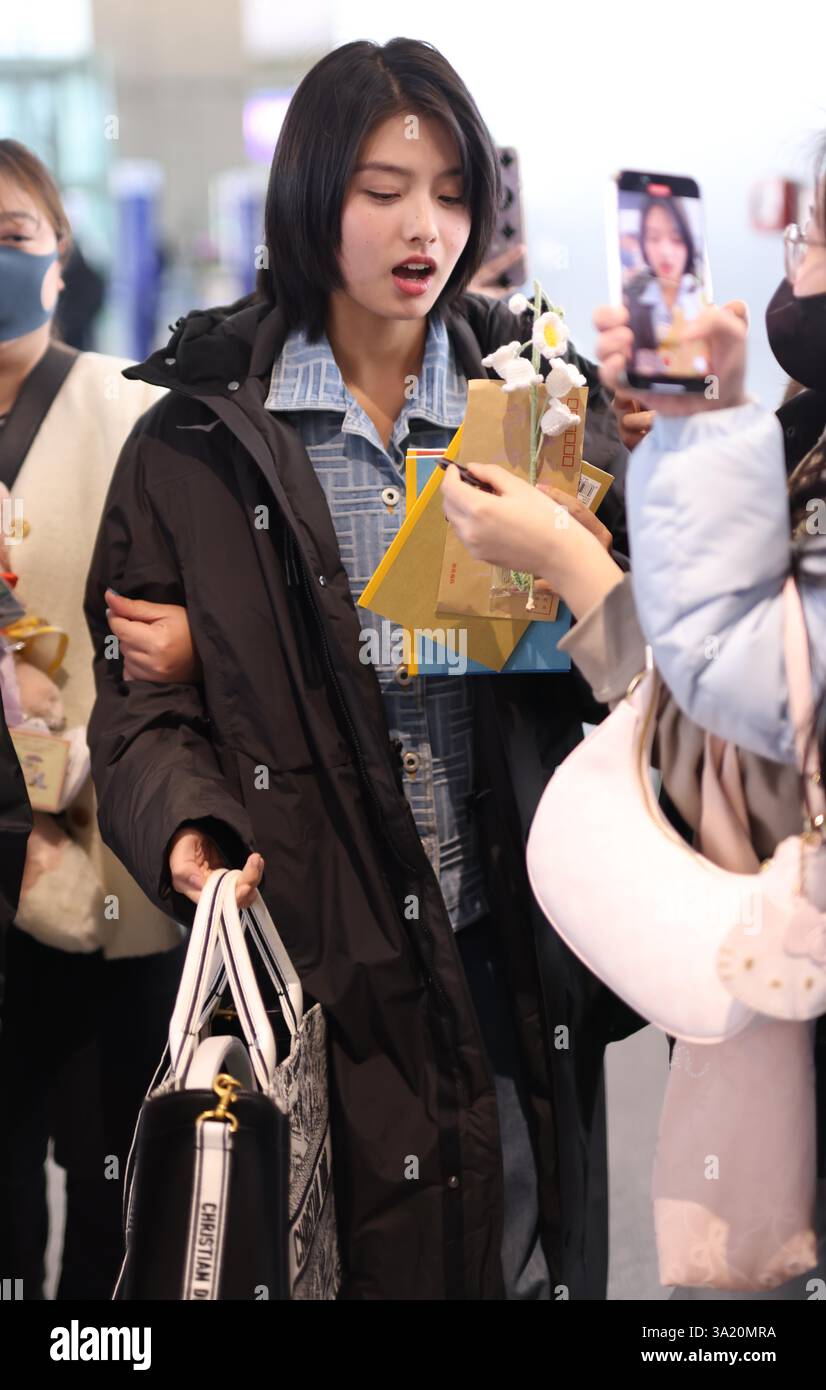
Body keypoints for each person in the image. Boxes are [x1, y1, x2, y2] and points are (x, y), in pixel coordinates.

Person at [83, 37, 638, 1301]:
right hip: (306, 961)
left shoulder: (541, 408)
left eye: (450, 193)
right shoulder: (202, 438)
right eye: (382, 189)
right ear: (310, 192)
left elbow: (635, 675)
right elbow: (139, 703)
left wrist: (583, 554)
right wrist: (185, 831)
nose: (422, 226)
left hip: (508, 945)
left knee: (516, 1257)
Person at [0, 139, 193, 1300]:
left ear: (61, 262)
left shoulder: (137, 412)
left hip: (95, 849)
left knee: (111, 1164)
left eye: (14, 236)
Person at [593, 138, 826, 769]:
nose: (796, 265)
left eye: (816, 238)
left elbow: (733, 705)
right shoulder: (802, 427)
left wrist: (570, 564)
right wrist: (691, 438)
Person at [625, 195, 708, 378]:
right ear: (643, 243)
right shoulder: (632, 301)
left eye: (676, 239)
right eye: (654, 238)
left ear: (688, 243)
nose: (665, 252)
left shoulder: (701, 300)